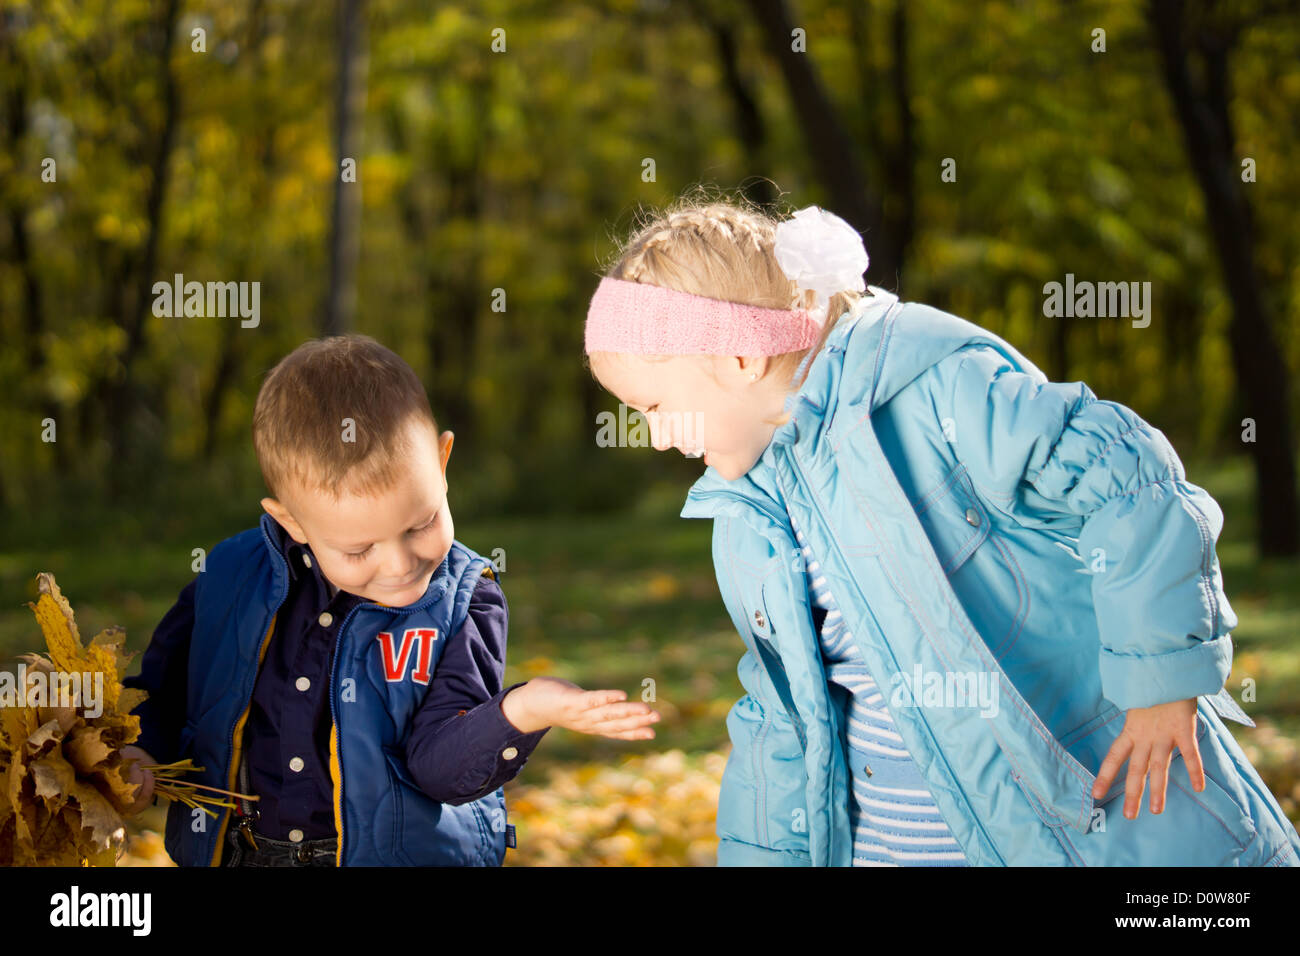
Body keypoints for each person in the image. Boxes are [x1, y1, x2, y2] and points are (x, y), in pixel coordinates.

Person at [583, 193, 1300, 866]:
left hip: (1062, 823)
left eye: (654, 407)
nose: (652, 437)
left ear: (738, 359)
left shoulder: (934, 395)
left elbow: (1130, 482)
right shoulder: (748, 517)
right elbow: (782, 719)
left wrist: (1161, 678)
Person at [121, 333, 658, 866]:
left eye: (421, 524)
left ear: (442, 462)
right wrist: (139, 750)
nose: (401, 564)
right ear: (291, 521)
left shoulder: (466, 600)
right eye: (358, 549)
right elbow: (162, 694)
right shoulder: (230, 576)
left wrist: (520, 711)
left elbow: (441, 771)